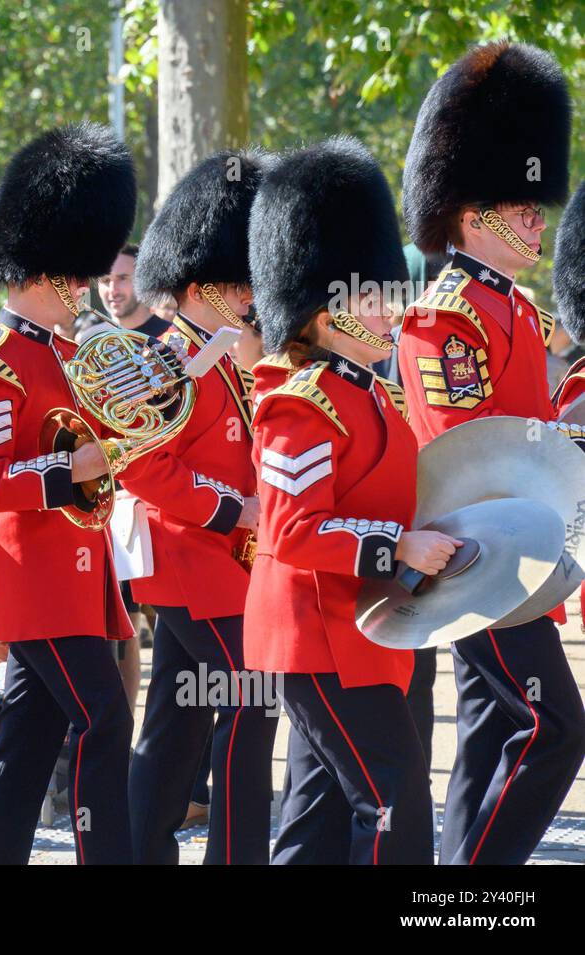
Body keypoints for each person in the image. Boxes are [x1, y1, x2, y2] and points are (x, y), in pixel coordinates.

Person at [397, 41, 585, 865]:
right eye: (522, 206)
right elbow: (461, 456)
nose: (540, 218)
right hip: (481, 556)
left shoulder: (520, 315)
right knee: (554, 728)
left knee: (485, 731)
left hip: (525, 557)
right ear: (473, 216)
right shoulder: (447, 318)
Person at [245, 136, 446, 865]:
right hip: (318, 636)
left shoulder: (379, 397)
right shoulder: (299, 404)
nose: (390, 306)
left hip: (361, 635)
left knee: (318, 823)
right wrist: (399, 547)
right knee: (394, 799)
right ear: (326, 314)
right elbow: (294, 530)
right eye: (371, 294)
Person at [0, 123, 137, 865]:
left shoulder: (71, 356)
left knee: (27, 740)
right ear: (35, 272)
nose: (85, 286)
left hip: (77, 577)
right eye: (74, 274)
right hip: (34, 582)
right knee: (103, 722)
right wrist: (69, 472)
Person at [121, 149, 278, 865]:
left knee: (178, 717)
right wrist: (232, 512)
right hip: (193, 559)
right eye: (235, 279)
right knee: (254, 697)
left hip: (219, 565)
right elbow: (145, 466)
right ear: (196, 283)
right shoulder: (165, 361)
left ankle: (141, 847)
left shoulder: (224, 354)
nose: (249, 292)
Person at [98, 244, 171, 341]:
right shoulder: (87, 340)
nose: (112, 290)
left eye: (122, 278)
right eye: (105, 280)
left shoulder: (172, 337)